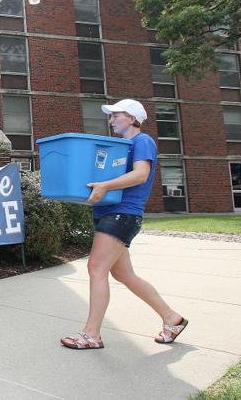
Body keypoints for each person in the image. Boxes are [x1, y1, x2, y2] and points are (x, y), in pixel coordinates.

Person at [60, 99, 187, 350]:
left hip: (123, 214)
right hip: (111, 213)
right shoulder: (121, 146)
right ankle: (172, 319)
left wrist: (105, 185)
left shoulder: (142, 141)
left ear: (131, 117)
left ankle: (91, 334)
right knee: (123, 274)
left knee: (96, 268)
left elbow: (141, 174)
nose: (111, 121)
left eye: (115, 116)